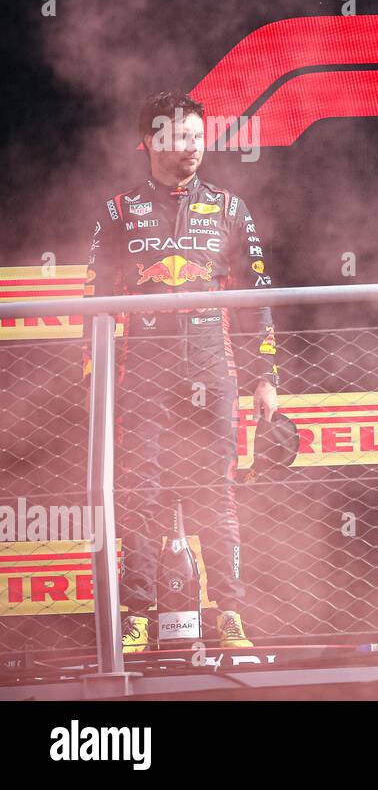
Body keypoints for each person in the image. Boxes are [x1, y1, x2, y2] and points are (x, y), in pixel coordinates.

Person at [84, 91, 279, 651]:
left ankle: (231, 615)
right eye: (177, 136)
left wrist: (266, 376)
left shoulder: (230, 208)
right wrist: (95, 376)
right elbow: (93, 299)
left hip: (213, 368)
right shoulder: (117, 211)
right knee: (141, 491)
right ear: (147, 141)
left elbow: (257, 295)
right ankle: (139, 615)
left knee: (215, 492)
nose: (191, 147)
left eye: (198, 136)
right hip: (141, 369)